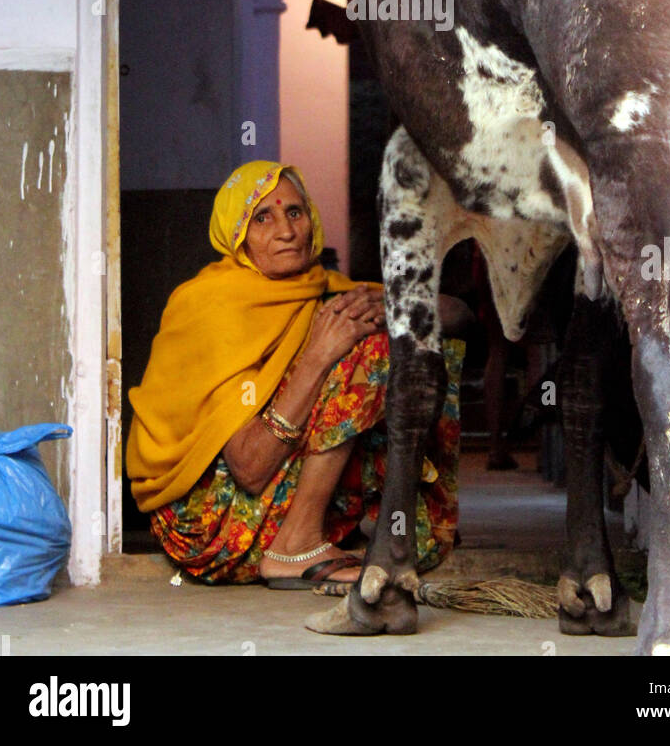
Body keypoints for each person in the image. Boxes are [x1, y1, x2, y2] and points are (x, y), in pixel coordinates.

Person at [126, 159, 465, 588]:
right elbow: (248, 467)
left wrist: (392, 309)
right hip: (208, 527)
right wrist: (319, 358)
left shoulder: (320, 289)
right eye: (261, 218)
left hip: (261, 517)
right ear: (236, 236)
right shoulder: (213, 307)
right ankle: (297, 542)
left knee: (409, 335)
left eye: (295, 212)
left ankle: (372, 527)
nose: (285, 231)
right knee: (367, 351)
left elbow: (459, 314)